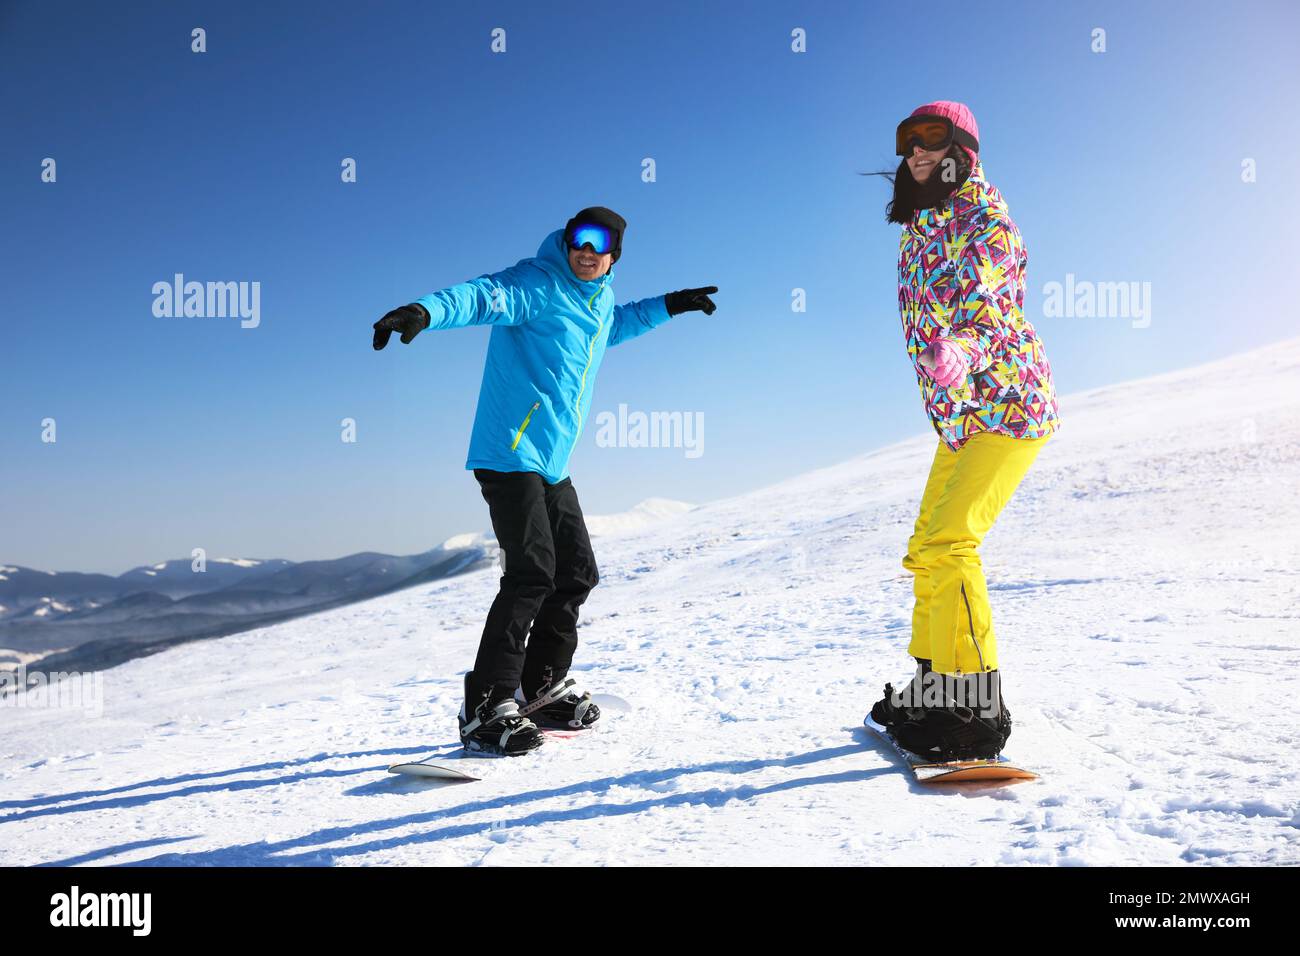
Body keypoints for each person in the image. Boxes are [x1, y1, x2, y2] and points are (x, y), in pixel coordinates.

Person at [372, 207, 718, 756]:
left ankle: (541, 687)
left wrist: (669, 306)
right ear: (566, 241)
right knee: (532, 574)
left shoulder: (597, 301)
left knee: (576, 572)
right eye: (578, 238)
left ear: (613, 256)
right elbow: (483, 296)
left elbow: (616, 324)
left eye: (599, 244)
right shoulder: (537, 282)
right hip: (510, 452)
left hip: (551, 462)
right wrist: (423, 311)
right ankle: (486, 704)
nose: (585, 249)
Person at [868, 102, 1060, 760]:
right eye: (908, 142)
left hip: (1008, 403)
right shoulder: (919, 225)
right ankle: (935, 688)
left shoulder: (984, 216)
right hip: (963, 418)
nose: (918, 152)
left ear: (964, 149)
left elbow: (995, 299)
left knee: (952, 542)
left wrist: (965, 350)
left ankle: (976, 711)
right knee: (926, 547)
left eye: (933, 138)